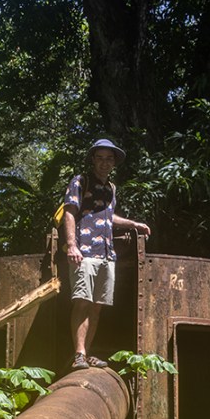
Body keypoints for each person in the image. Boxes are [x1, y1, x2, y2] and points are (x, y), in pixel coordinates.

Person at [62, 138, 150, 370]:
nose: (104, 162)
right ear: (93, 160)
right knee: (82, 301)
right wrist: (72, 245)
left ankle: (87, 352)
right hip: (85, 251)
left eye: (108, 159)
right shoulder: (81, 181)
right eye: (100, 158)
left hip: (106, 254)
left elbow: (108, 217)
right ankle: (78, 354)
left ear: (114, 163)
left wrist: (134, 224)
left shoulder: (111, 188)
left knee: (97, 306)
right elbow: (69, 212)